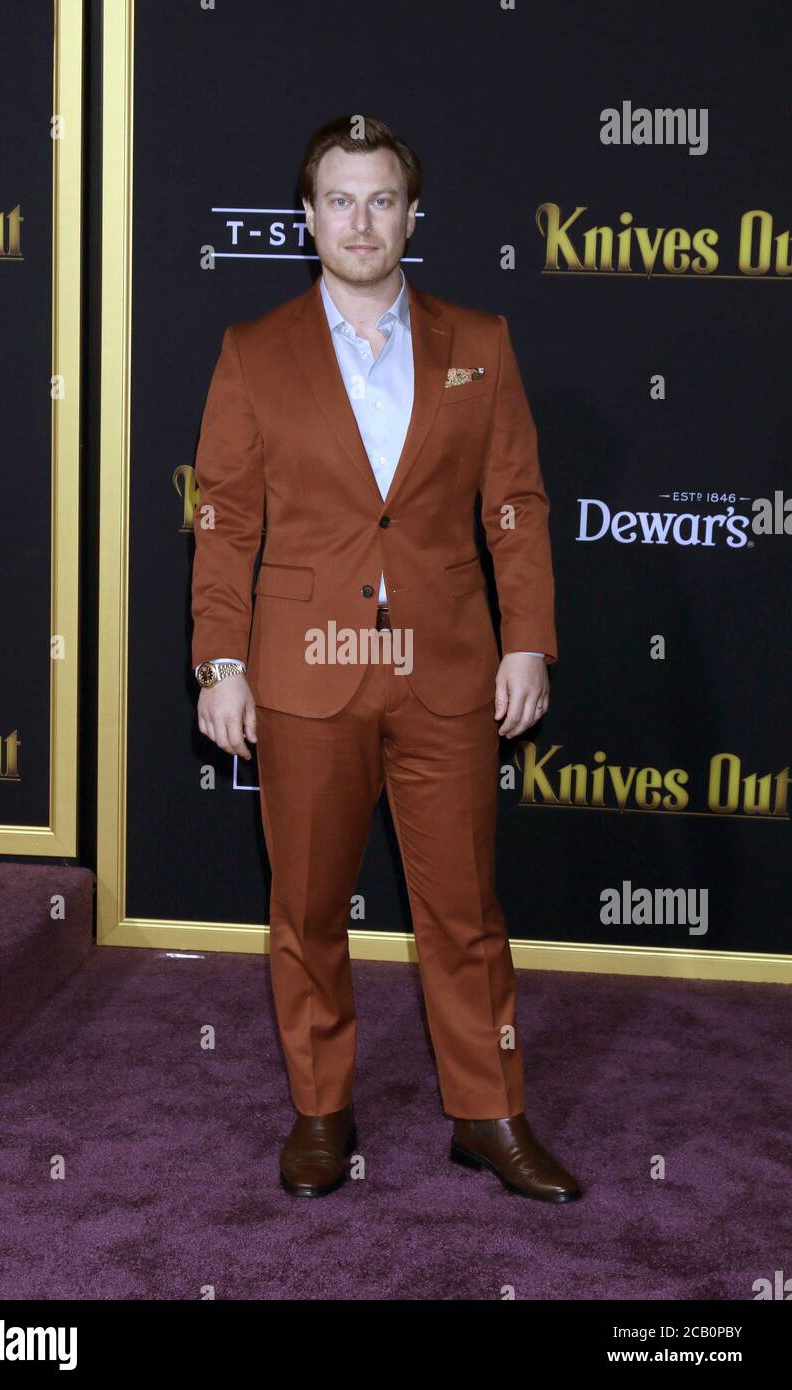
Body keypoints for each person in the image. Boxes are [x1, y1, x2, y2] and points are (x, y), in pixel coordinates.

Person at [191, 114, 581, 1203]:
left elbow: (514, 506)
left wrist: (527, 642)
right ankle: (320, 1109)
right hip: (302, 674)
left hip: (448, 671)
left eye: (380, 199)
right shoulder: (252, 349)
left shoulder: (480, 341)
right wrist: (219, 663)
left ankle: (488, 1112)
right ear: (306, 216)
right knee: (308, 910)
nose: (360, 221)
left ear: (411, 214)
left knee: (463, 910)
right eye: (338, 200)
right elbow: (223, 521)